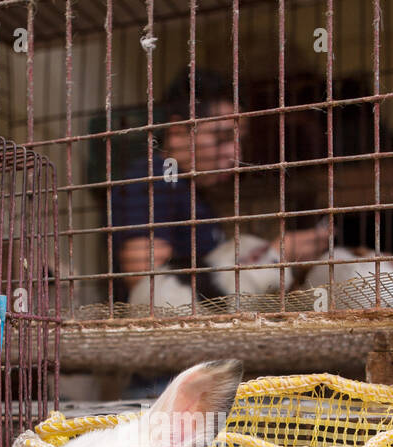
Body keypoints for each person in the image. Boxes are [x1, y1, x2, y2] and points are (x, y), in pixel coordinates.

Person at [111, 68, 329, 300]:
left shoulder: (190, 189)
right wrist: (273, 256)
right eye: (222, 138)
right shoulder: (156, 177)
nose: (236, 153)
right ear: (178, 131)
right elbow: (148, 283)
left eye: (239, 140)